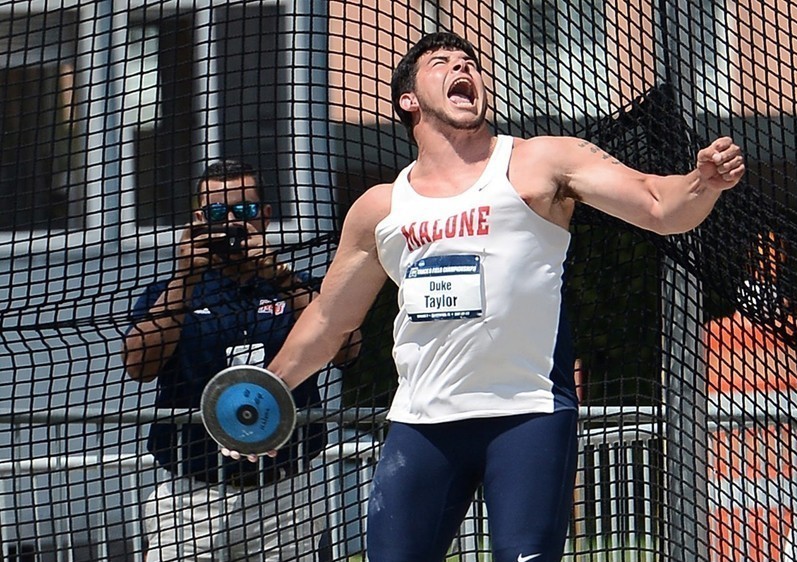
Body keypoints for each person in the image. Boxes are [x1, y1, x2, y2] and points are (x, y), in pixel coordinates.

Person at [227, 31, 744, 562]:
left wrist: (702, 182)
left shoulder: (540, 162)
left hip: (527, 414)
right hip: (422, 424)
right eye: (441, 62)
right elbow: (329, 320)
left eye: (469, 62)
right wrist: (264, 391)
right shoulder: (381, 207)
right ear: (409, 100)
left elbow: (660, 206)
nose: (463, 68)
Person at [122, 159, 358, 562]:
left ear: (264, 216)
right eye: (217, 213)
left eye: (244, 211)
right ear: (199, 220)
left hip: (285, 495)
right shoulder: (172, 293)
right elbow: (138, 366)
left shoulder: (294, 288)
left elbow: (347, 349)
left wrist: (279, 274)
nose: (232, 223)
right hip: (190, 498)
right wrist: (185, 277)